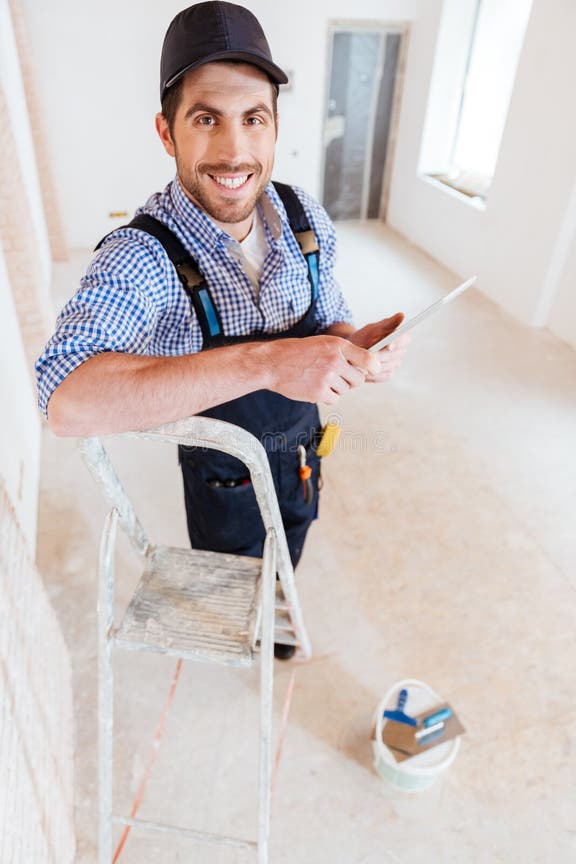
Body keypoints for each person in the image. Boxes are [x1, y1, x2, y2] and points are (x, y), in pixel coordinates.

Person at [35, 1, 409, 656]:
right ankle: (250, 620)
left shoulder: (302, 217)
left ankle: (280, 602)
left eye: (252, 119)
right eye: (206, 119)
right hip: (222, 477)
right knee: (234, 564)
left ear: (274, 126)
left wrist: (351, 345)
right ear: (166, 131)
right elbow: (65, 400)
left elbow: (327, 309)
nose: (235, 150)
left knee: (294, 529)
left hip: (299, 448)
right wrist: (266, 364)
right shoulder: (142, 253)